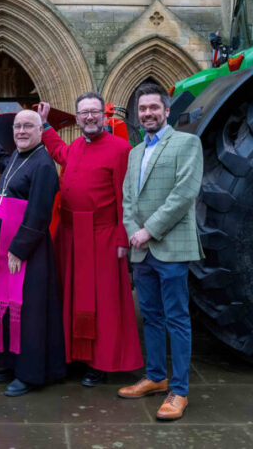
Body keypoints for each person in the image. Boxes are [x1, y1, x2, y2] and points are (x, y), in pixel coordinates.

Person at [38, 96, 142, 387]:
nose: (90, 117)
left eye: (94, 111)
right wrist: (45, 125)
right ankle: (75, 355)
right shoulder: (76, 147)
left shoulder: (121, 149)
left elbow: (127, 199)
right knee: (69, 298)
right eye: (84, 113)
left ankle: (101, 362)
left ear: (103, 114)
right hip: (70, 236)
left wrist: (124, 237)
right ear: (77, 117)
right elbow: (59, 151)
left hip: (103, 237)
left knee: (103, 302)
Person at [120, 83, 204, 421]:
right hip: (142, 251)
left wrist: (148, 231)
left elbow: (185, 193)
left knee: (177, 319)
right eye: (143, 109)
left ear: (167, 111)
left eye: (154, 108)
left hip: (169, 248)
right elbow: (128, 199)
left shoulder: (187, 143)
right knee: (151, 316)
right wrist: (132, 233)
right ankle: (156, 377)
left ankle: (179, 391)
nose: (148, 114)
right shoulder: (135, 152)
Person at [0, 109, 66, 397]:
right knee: (7, 304)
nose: (22, 131)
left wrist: (19, 249)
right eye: (17, 127)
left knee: (28, 311)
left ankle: (30, 373)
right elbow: (3, 162)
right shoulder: (18, 155)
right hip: (6, 247)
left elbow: (40, 213)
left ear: (40, 131)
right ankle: (11, 361)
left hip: (28, 251)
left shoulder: (44, 164)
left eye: (28, 126)